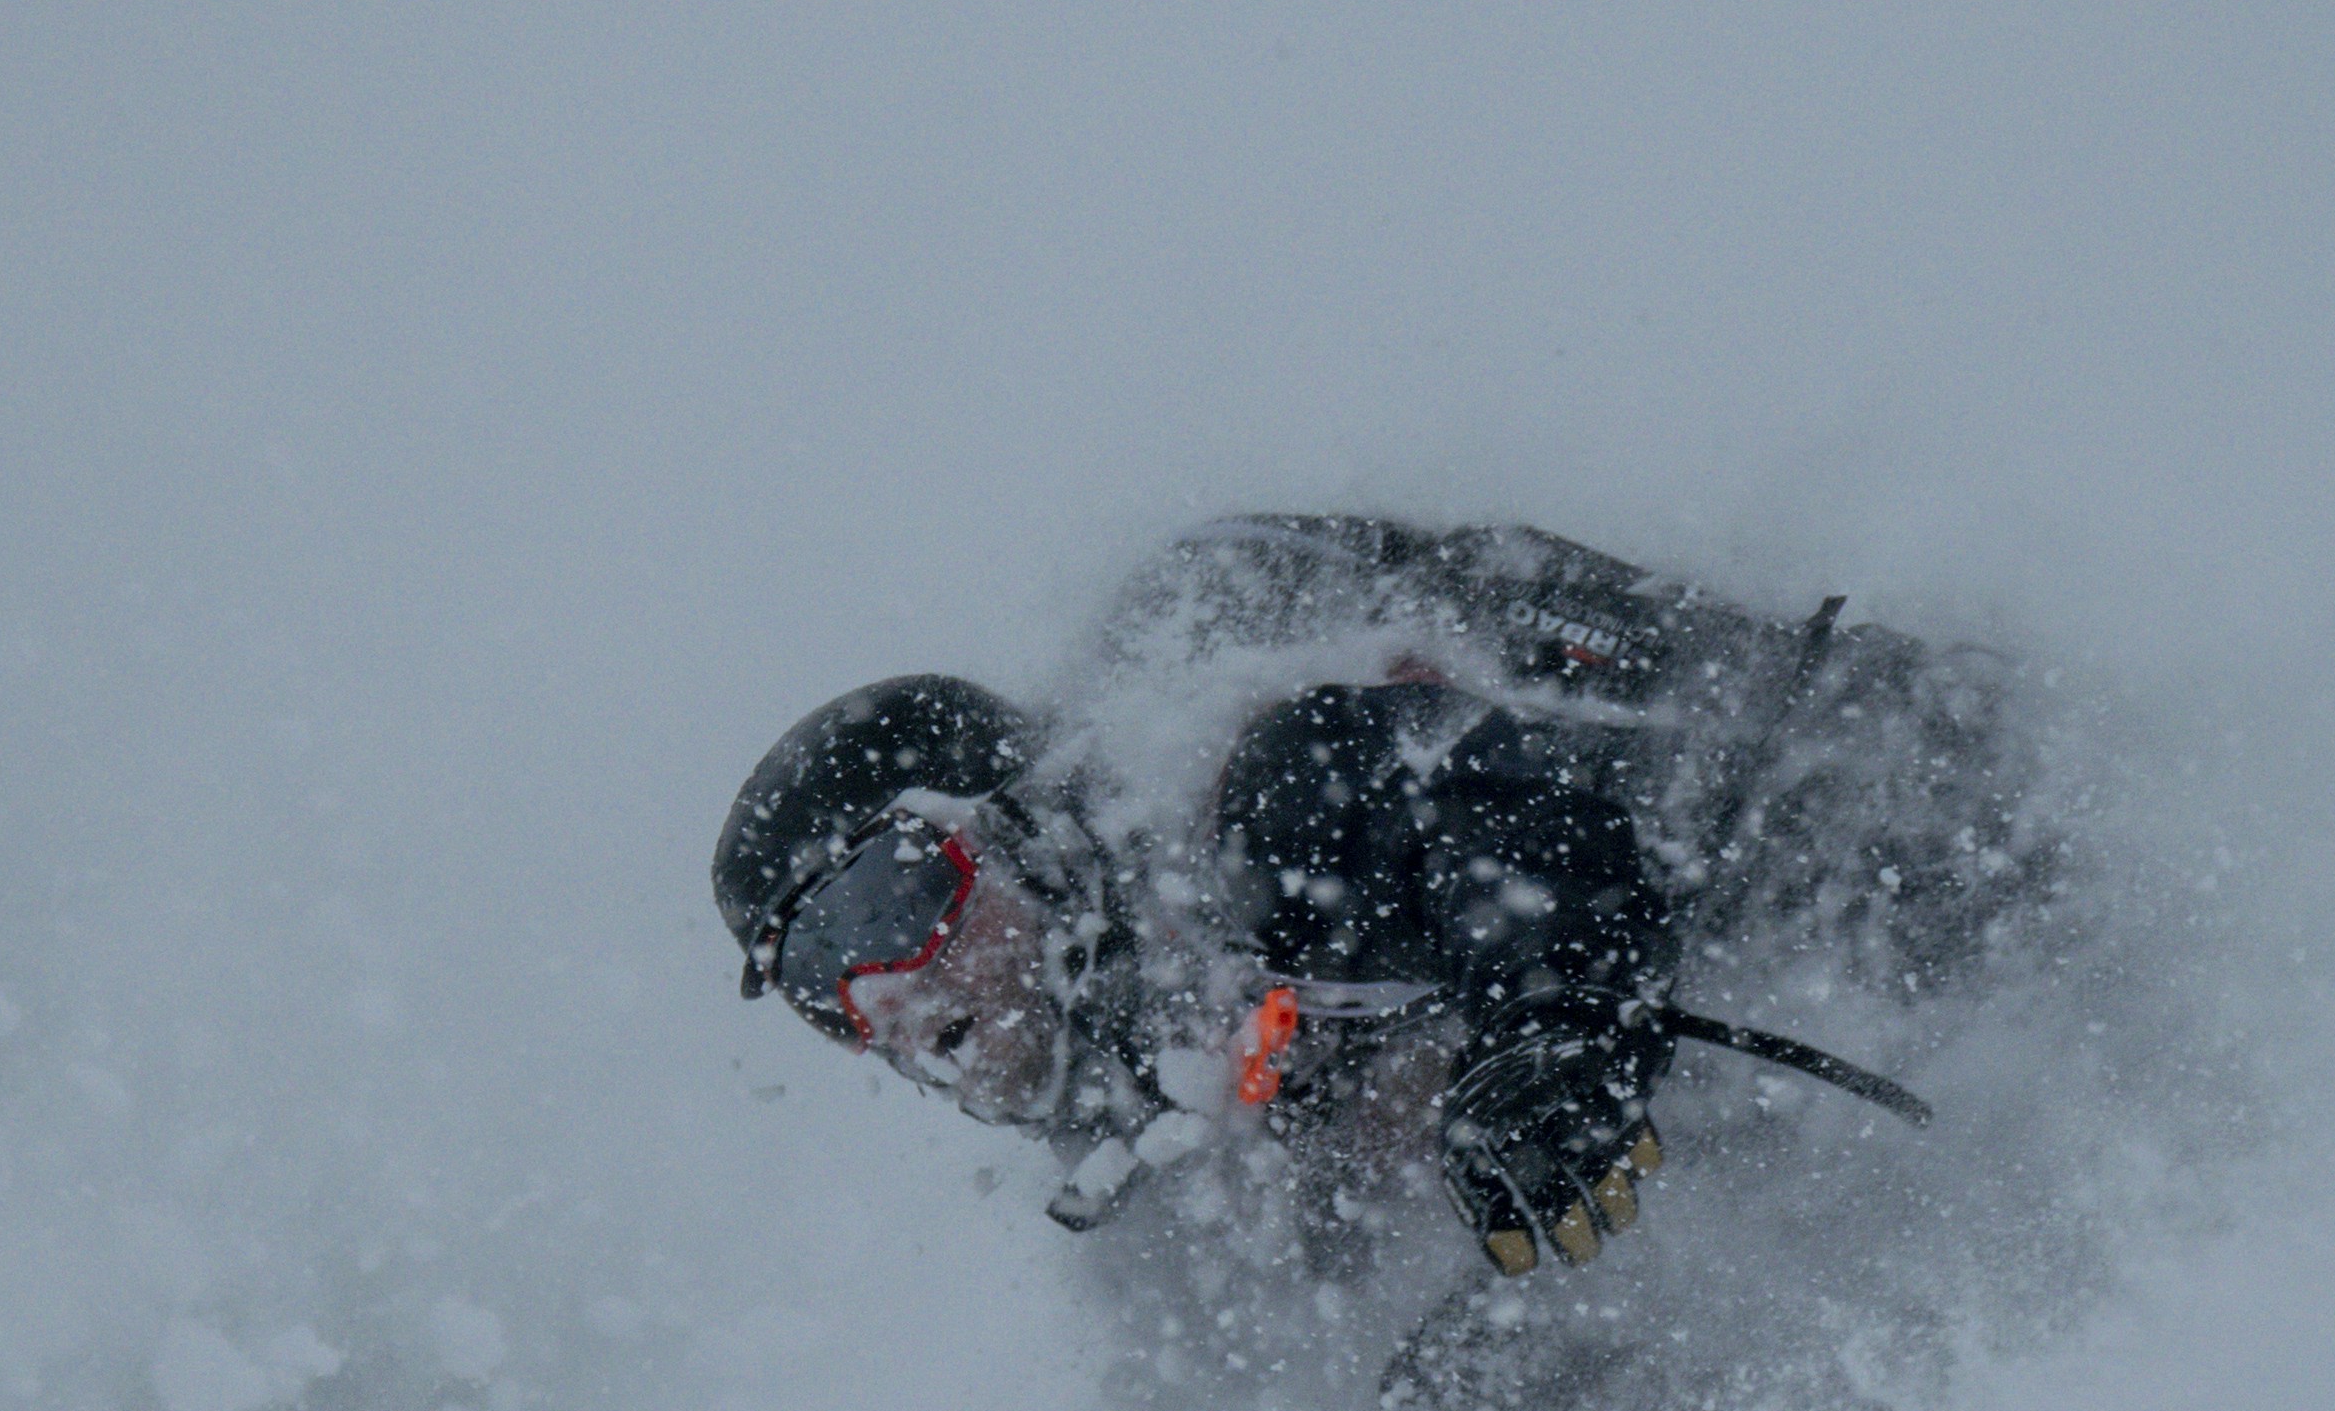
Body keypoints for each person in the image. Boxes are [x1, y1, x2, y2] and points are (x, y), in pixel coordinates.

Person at [712, 517, 2044, 1277]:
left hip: (1938, 872)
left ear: (1012, 835)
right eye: (825, 988)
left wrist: (1548, 1021)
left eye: (888, 907)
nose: (887, 996)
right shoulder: (1138, 1098)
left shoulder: (1243, 805)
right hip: (1879, 1145)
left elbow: (1481, 811)